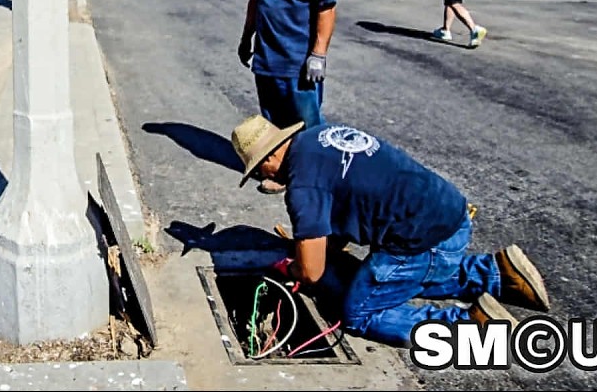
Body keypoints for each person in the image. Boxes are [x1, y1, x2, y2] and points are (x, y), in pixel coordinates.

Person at [230, 114, 551, 347]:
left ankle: (470, 327)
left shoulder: (303, 186)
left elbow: (311, 273)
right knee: (388, 280)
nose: (264, 178)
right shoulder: (320, 136)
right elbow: (343, 210)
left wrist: (292, 267)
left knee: (359, 313)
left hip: (425, 243)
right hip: (449, 214)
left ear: (271, 156)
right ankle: (498, 275)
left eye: (259, 170)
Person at [238, 0, 337, 194]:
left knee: (308, 126)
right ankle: (282, 173)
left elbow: (326, 9)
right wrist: (246, 38)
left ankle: (318, 179)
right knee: (274, 126)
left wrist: (318, 54)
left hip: (299, 63)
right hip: (267, 59)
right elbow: (256, 1)